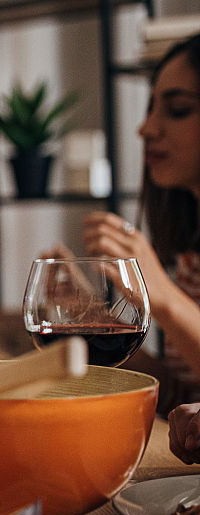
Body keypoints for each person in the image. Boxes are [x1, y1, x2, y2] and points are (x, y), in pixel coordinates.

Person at [66, 33, 200, 457]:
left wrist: (163, 298)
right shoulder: (192, 255)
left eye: (177, 110)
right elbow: (186, 391)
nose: (145, 129)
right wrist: (92, 321)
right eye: (151, 109)